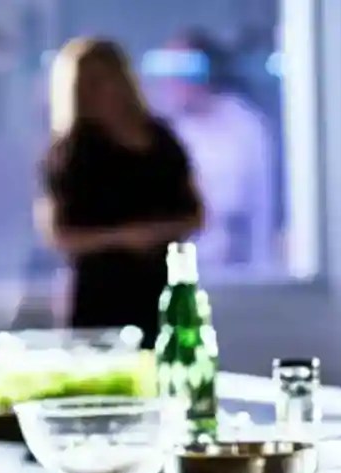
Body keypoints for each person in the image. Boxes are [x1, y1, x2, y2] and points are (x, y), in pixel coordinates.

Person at [37, 38, 204, 346]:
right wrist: (123, 238)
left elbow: (195, 214)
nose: (101, 91)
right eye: (89, 83)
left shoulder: (161, 141)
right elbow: (59, 233)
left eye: (105, 79)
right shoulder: (71, 153)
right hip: (98, 296)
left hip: (160, 288)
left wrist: (154, 233)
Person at [152, 29, 278, 276]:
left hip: (235, 269)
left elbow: (261, 207)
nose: (172, 82)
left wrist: (261, 267)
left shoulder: (244, 126)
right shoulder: (165, 131)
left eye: (183, 70)